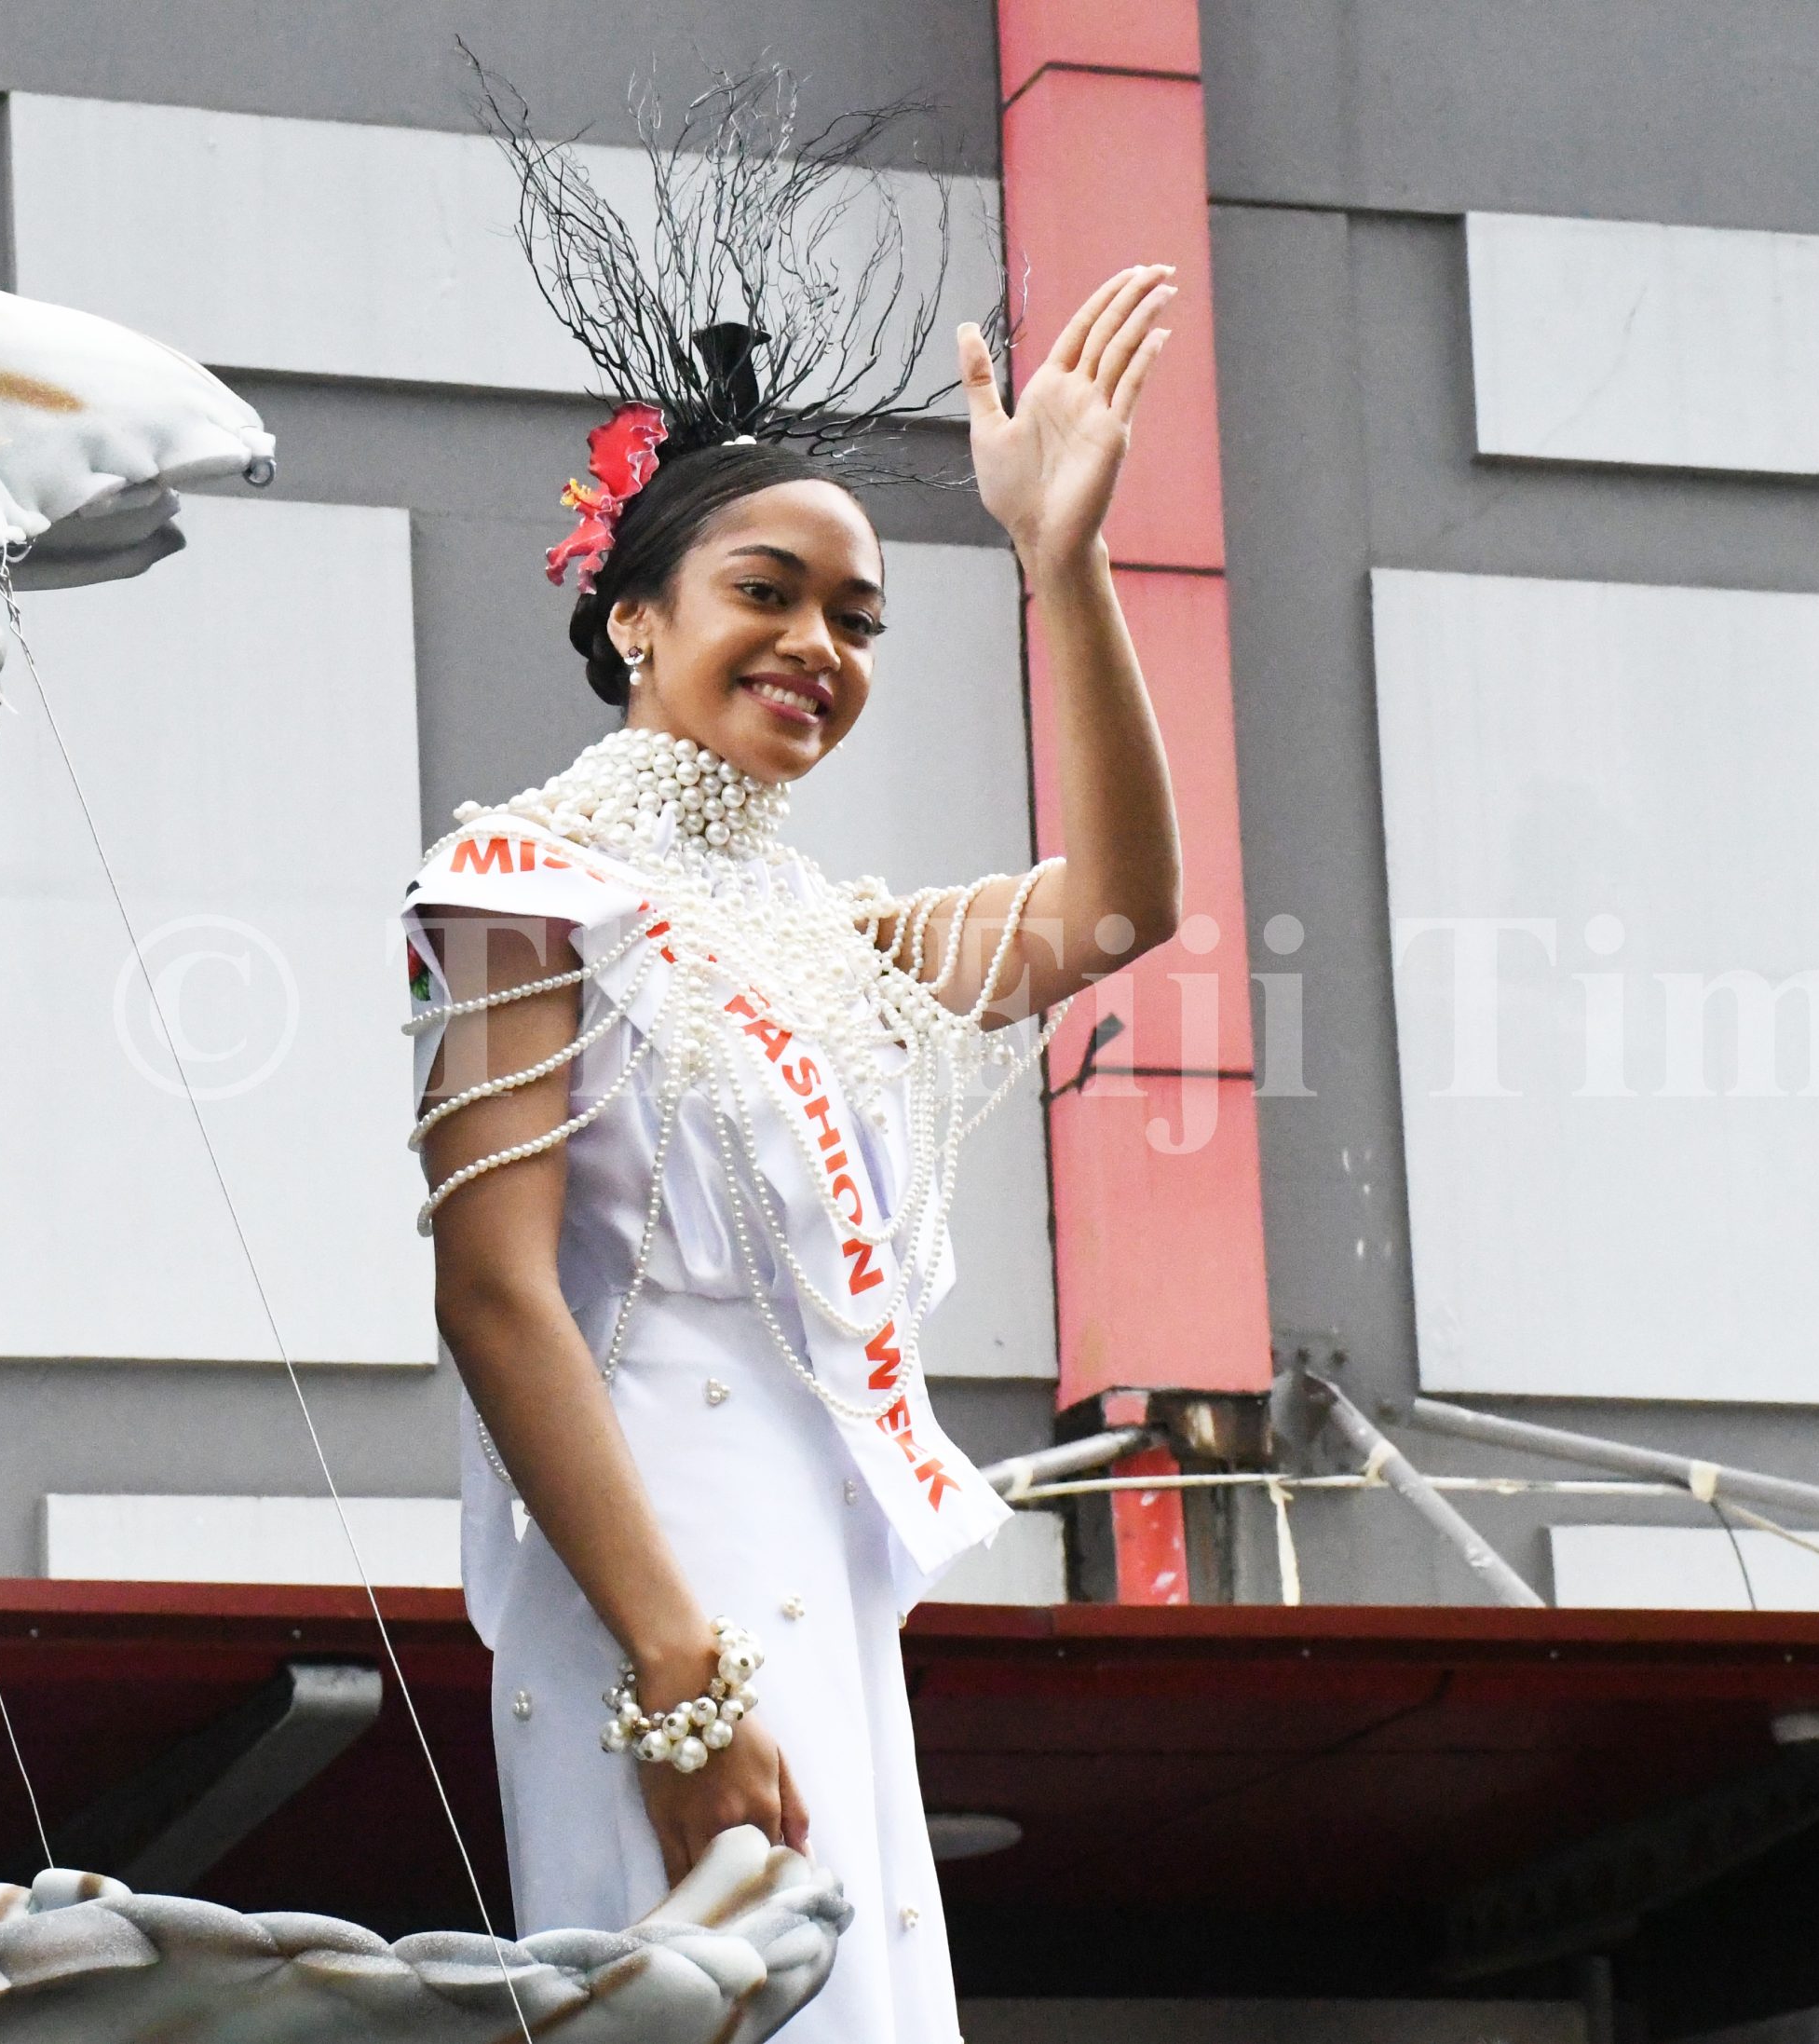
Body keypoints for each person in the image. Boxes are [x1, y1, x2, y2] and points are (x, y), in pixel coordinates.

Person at [398, 147, 1182, 2038]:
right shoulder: (520, 883)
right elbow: (495, 1295)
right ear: (632, 616)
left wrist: (1061, 566)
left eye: (858, 615)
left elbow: (1118, 907)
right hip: (655, 1592)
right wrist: (676, 1682)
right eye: (769, 588)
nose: (818, 645)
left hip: (809, 1576)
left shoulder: (824, 932)